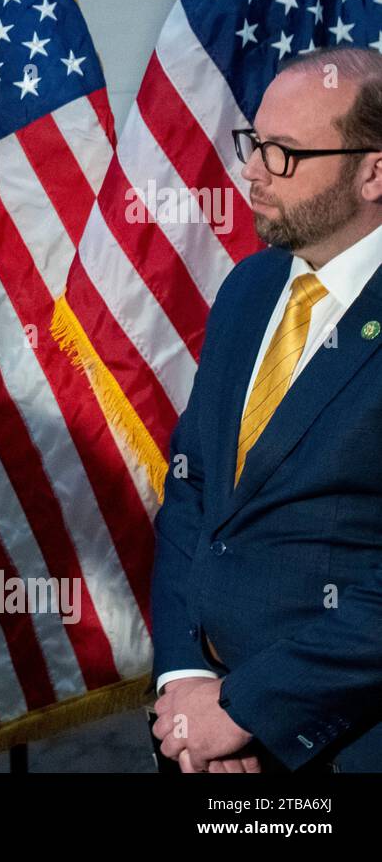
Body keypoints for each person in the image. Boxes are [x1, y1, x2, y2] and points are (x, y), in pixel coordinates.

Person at [151, 47, 382, 773]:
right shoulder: (250, 290)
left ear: (373, 171)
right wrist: (187, 676)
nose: (251, 173)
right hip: (198, 731)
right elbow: (194, 492)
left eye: (283, 154)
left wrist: (249, 708)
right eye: (255, 145)